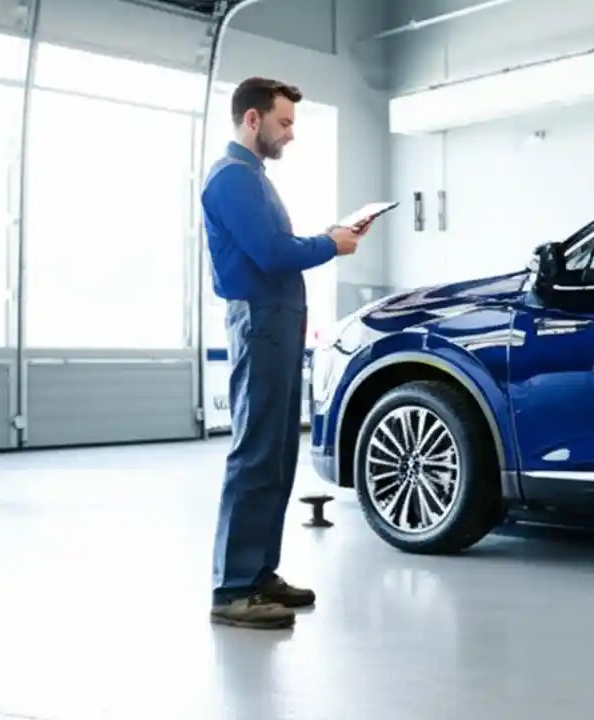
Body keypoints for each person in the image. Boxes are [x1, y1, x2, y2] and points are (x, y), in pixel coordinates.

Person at [201, 77, 368, 629]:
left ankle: (258, 574)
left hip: (278, 326)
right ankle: (232, 589)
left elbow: (272, 248)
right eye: (284, 123)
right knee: (254, 454)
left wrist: (327, 237)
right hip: (260, 324)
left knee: (276, 455)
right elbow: (272, 254)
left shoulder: (254, 178)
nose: (290, 134)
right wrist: (331, 245)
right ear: (253, 120)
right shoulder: (233, 180)